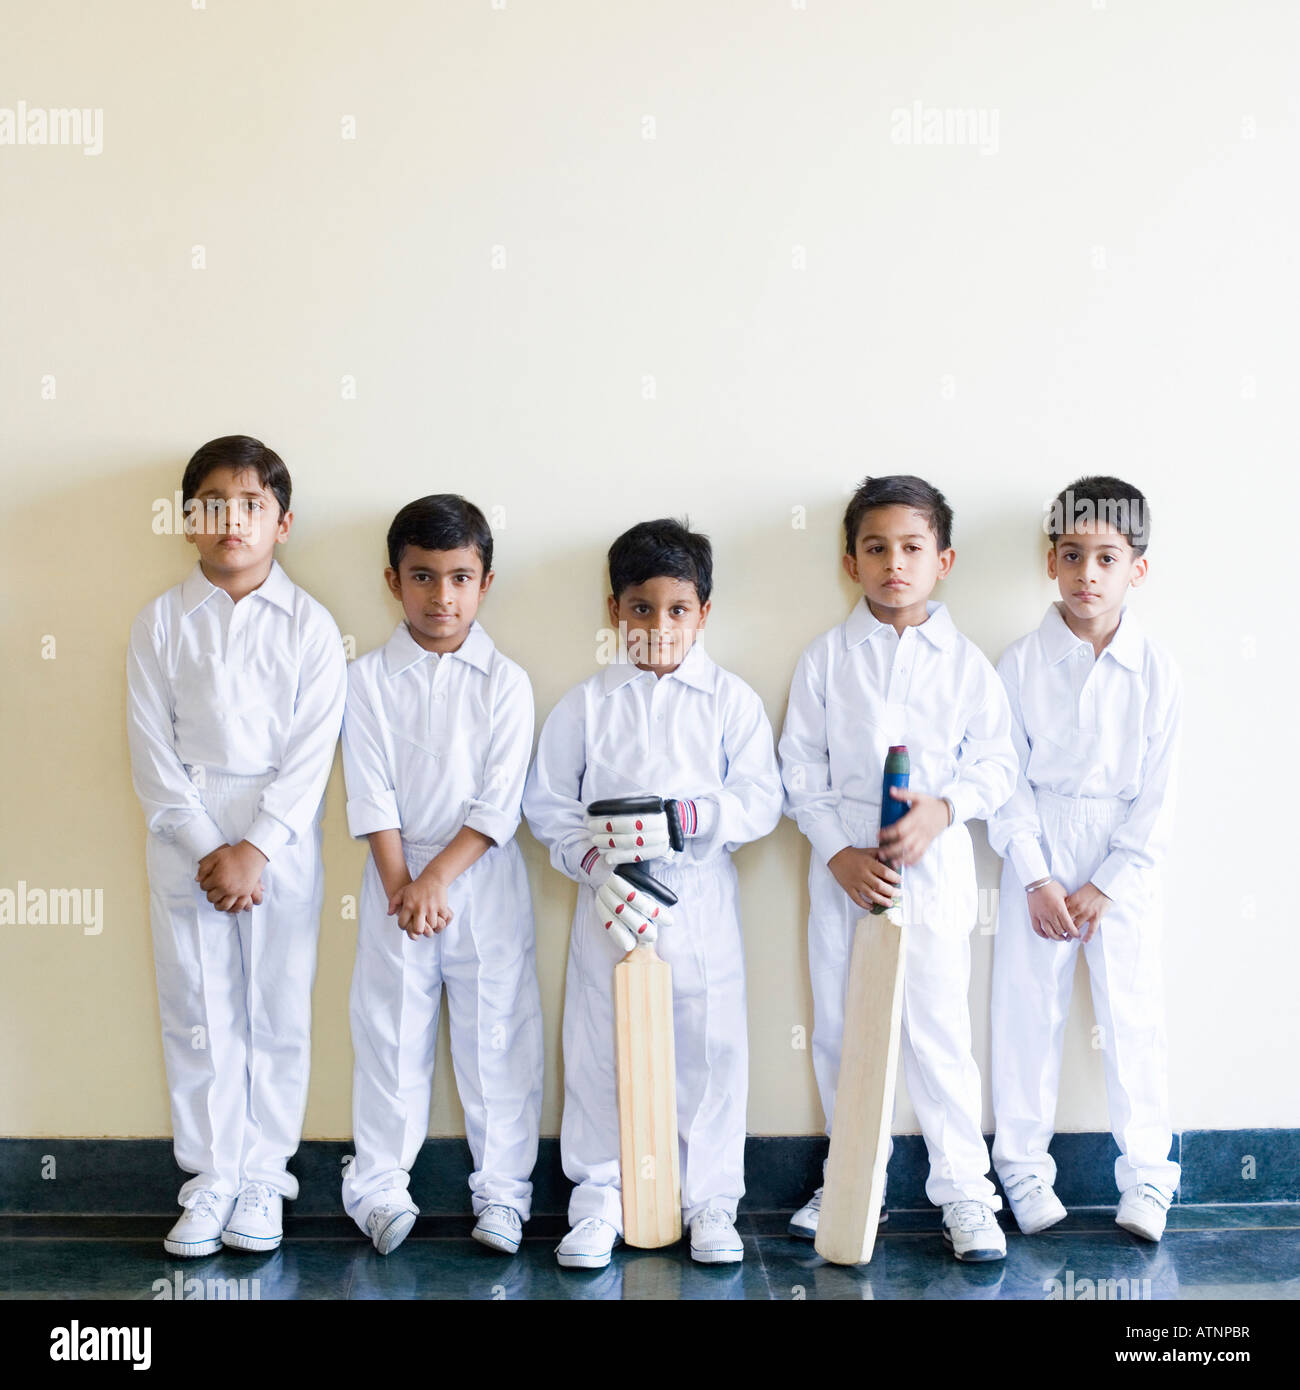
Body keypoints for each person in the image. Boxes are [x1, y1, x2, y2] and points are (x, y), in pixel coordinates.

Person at [523, 518, 782, 1269]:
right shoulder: (586, 705)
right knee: (600, 1047)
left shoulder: (729, 702)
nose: (659, 626)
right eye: (641, 609)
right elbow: (546, 804)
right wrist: (592, 868)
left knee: (709, 1047)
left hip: (697, 900)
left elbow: (761, 799)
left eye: (677, 610)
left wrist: (700, 816)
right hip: (608, 904)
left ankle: (709, 1201)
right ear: (615, 611)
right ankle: (600, 1197)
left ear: (704, 613)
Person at [779, 475, 1018, 1262]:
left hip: (934, 871)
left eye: (912, 547)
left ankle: (966, 1195)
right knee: (846, 1034)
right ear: (851, 561)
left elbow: (996, 763)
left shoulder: (965, 663)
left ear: (942, 559)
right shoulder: (825, 660)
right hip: (847, 875)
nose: (894, 563)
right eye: (876, 548)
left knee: (939, 1035)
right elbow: (800, 773)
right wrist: (839, 854)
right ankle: (854, 1186)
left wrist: (944, 813)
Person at [127, 435, 346, 1256]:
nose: (233, 519)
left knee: (276, 1005)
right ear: (189, 521)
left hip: (278, 831)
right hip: (185, 825)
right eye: (214, 502)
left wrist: (256, 847)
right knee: (197, 1009)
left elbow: (312, 748)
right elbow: (150, 750)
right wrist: (204, 843)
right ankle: (210, 1176)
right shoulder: (160, 623)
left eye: (251, 504)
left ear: (281, 522)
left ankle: (264, 1181)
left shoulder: (312, 628)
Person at [340, 495, 544, 1256]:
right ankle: (380, 1189)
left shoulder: (506, 682)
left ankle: (503, 1194)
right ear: (394, 581)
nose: (442, 597)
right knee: (390, 1033)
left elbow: (500, 800)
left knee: (497, 1037)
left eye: (460, 578)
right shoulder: (365, 679)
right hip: (395, 879)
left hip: (481, 879)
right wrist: (404, 882)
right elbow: (371, 790)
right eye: (423, 577)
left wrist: (437, 881)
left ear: (484, 582)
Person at [988, 475, 1181, 1242]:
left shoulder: (1158, 670)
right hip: (1037, 847)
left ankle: (1147, 1178)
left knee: (1134, 1015)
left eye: (1106, 557)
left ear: (1137, 567)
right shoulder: (1020, 663)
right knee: (1026, 1013)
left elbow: (1161, 796)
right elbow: (1005, 780)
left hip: (1121, 857)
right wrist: (1037, 876)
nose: (1086, 575)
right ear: (1050, 561)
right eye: (1072, 555)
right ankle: (1025, 1173)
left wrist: (1109, 882)